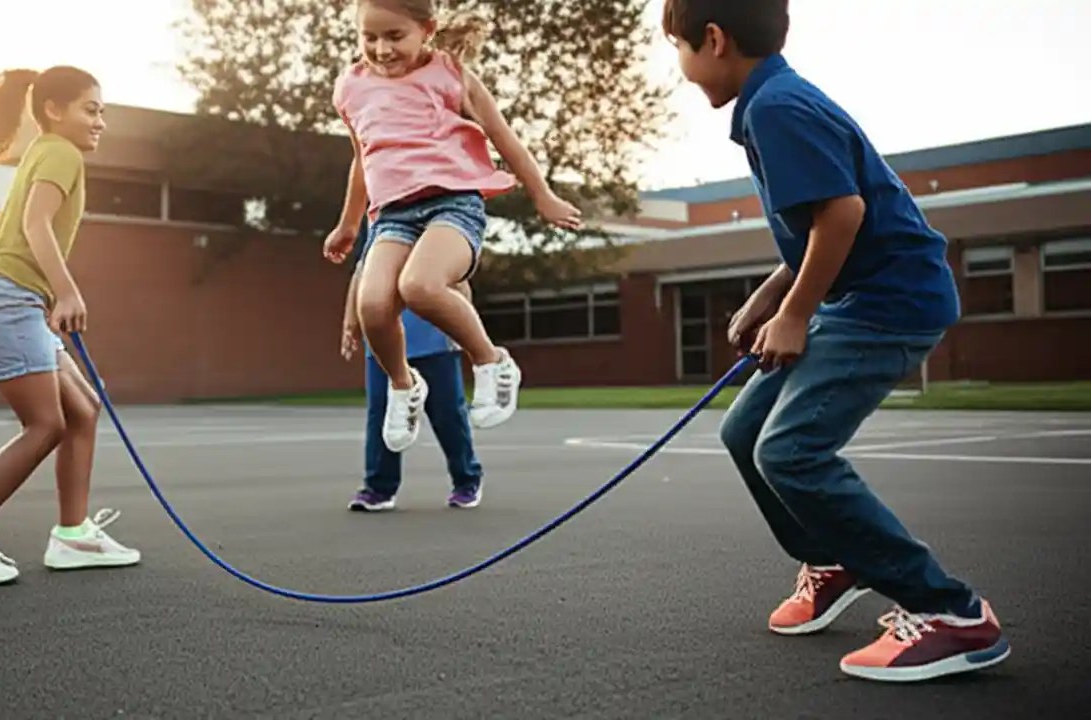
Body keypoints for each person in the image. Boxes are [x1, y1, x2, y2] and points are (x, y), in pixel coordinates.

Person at [661, 0, 1008, 682]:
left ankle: (951, 612)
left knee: (791, 451)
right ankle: (833, 559)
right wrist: (768, 301)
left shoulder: (778, 108)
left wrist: (794, 317)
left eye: (677, 48)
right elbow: (816, 225)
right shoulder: (773, 101)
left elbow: (843, 214)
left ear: (714, 39)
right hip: (859, 298)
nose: (679, 67)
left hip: (890, 303)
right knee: (745, 432)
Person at [323, 0, 583, 455]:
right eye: (369, 38)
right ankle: (403, 386)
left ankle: (492, 362)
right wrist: (347, 224)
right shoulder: (351, 87)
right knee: (372, 304)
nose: (381, 49)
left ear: (427, 29)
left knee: (421, 285)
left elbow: (505, 137)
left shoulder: (450, 74)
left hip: (452, 204)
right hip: (392, 215)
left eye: (394, 37)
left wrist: (543, 195)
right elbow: (362, 158)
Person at [0, 66, 140, 584]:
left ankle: (73, 535)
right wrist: (65, 291)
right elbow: (35, 225)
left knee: (83, 407)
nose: (100, 121)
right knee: (47, 424)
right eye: (91, 109)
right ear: (54, 110)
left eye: (103, 111)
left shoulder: (50, 150)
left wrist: (46, 300)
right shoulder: (59, 150)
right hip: (2, 299)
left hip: (15, 300)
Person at [341, 235, 484, 512]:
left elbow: (458, 284)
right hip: (384, 344)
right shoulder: (379, 231)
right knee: (381, 414)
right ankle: (379, 488)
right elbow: (360, 276)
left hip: (433, 341)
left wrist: (463, 334)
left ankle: (467, 480)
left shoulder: (436, 231)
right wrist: (351, 324)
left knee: (448, 415)